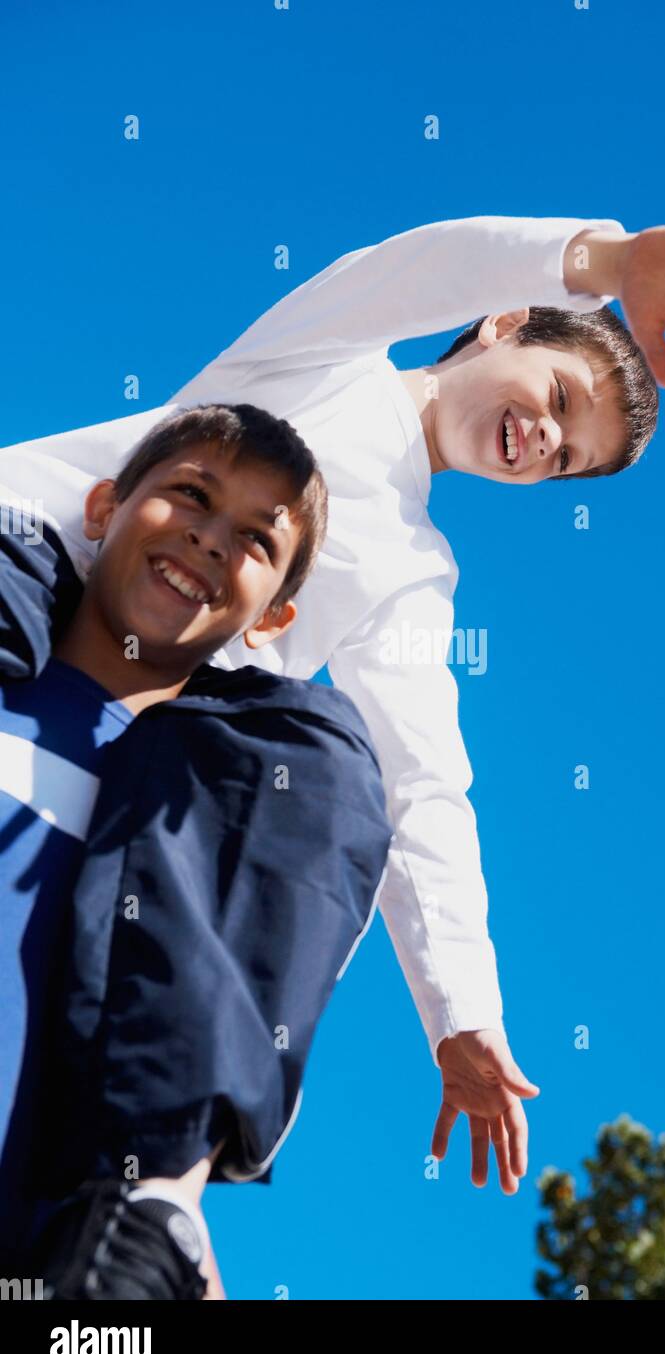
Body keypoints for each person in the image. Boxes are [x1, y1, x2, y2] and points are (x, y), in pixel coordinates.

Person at [0, 213, 665, 1195]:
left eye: (564, 456)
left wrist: (461, 1013)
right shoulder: (332, 358)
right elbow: (415, 269)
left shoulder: (411, 571)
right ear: (502, 326)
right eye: (557, 398)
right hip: (45, 569)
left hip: (153, 700)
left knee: (327, 765)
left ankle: (158, 1183)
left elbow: (422, 786)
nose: (541, 440)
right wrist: (604, 264)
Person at [0, 403, 393, 1298]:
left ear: (273, 618)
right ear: (101, 508)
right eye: (190, 494)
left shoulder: (211, 811)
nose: (212, 540)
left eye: (256, 540)